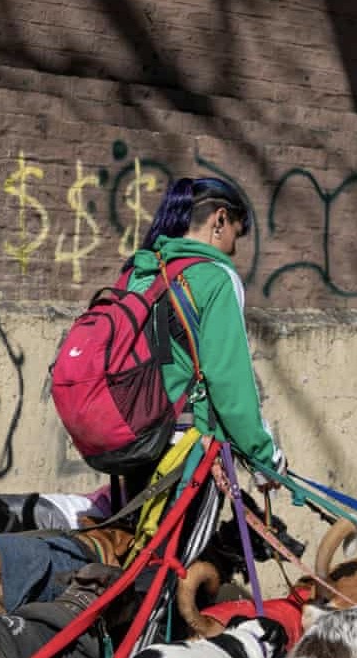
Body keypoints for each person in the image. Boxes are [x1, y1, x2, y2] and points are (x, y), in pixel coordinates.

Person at [118, 177, 286, 502]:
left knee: (135, 549)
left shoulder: (138, 272)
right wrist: (266, 459)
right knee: (178, 554)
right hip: (184, 452)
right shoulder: (215, 277)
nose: (234, 250)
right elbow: (229, 383)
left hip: (130, 441)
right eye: (236, 235)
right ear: (220, 219)